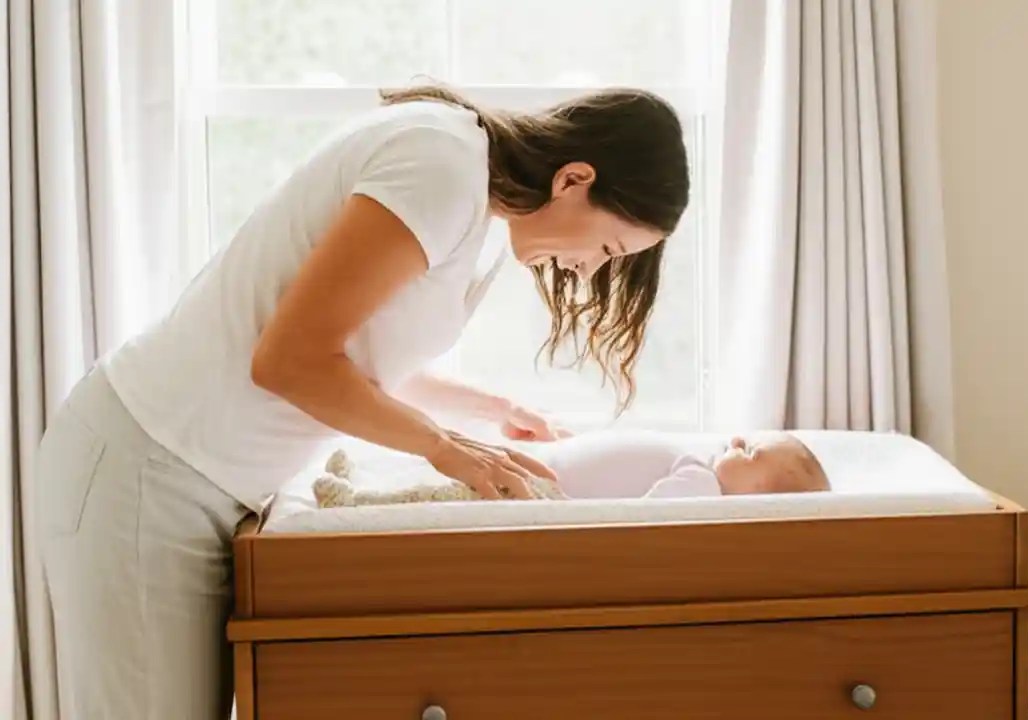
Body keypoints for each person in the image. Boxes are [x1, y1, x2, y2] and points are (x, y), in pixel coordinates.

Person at [34, 84, 689, 719]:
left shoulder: (478, 208)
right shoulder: (443, 167)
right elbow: (289, 360)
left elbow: (356, 356)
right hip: (146, 466)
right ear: (574, 179)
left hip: (198, 480)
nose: (590, 271)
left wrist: (486, 409)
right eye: (607, 248)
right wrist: (439, 446)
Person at [313, 431, 831, 507]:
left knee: (451, 496)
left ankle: (360, 499)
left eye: (750, 454)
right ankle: (368, 474)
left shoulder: (701, 484)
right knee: (457, 467)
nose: (735, 442)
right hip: (544, 473)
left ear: (761, 496)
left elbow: (646, 520)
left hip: (543, 494)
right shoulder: (700, 466)